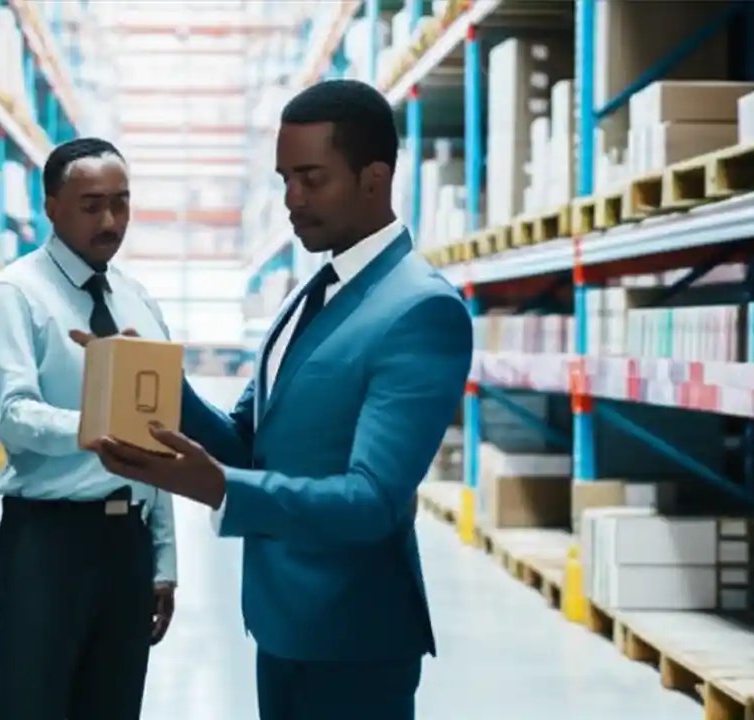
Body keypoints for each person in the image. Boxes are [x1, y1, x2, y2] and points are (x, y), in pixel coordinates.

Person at [83, 80, 474, 718]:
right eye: (284, 178)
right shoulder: (311, 291)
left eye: (311, 178)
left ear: (374, 179)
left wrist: (222, 490)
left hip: (354, 641)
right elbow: (249, 440)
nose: (291, 200)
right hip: (283, 622)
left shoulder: (420, 309)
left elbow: (373, 500)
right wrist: (152, 374)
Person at [0, 137, 178, 720]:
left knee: (113, 706)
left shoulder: (139, 303)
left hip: (128, 543)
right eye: (91, 205)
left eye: (121, 203)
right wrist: (92, 427)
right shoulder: (14, 296)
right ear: (52, 206)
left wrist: (162, 562)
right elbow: (13, 413)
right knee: (31, 704)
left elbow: (154, 437)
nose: (110, 220)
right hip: (49, 543)